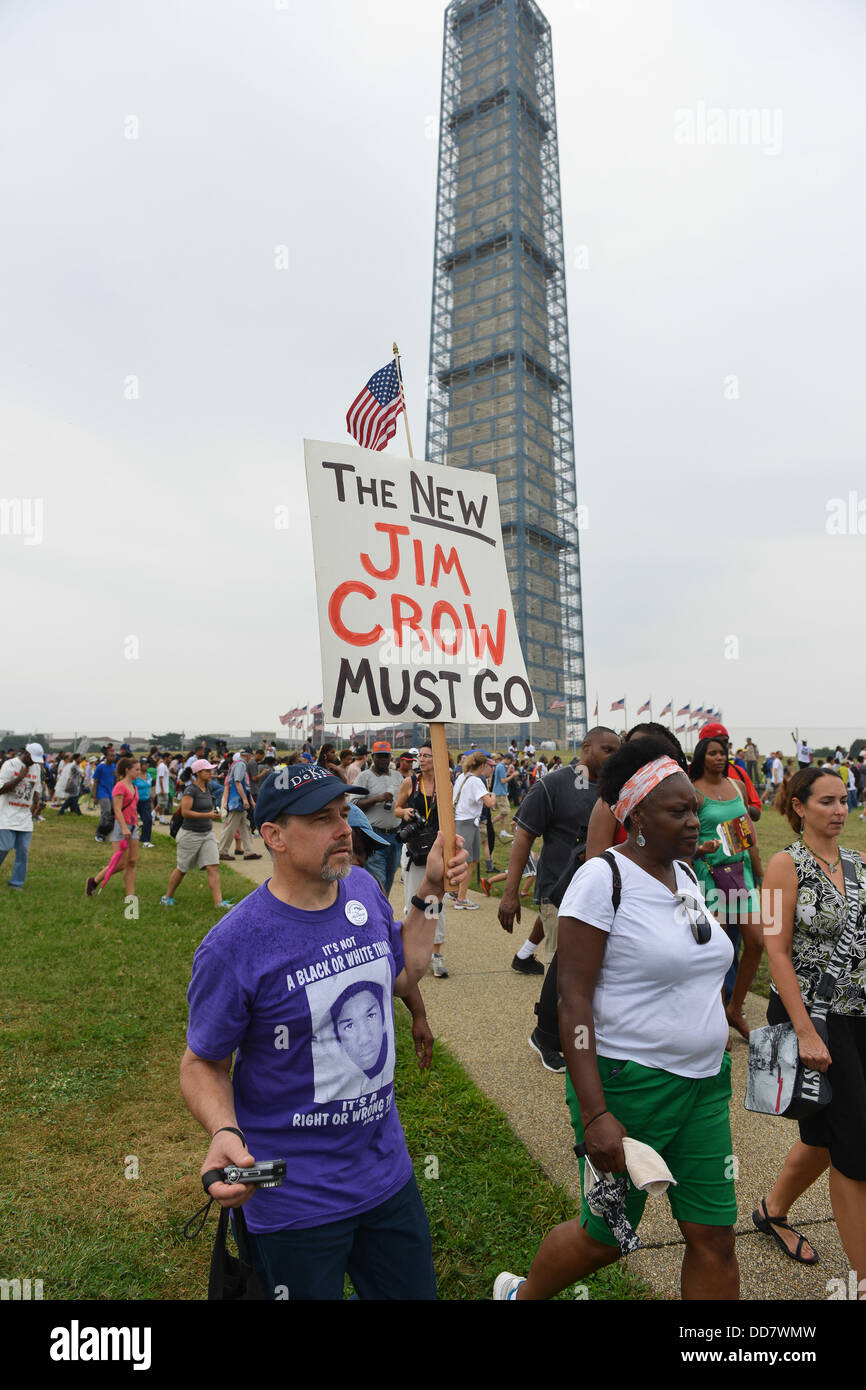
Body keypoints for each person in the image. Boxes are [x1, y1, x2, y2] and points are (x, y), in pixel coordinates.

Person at [179, 762, 469, 1301]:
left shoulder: (360, 885)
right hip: (290, 1196)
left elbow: (402, 975)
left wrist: (429, 887)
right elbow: (203, 1063)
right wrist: (223, 1130)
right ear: (274, 837)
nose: (343, 828)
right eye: (320, 818)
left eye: (342, 812)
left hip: (386, 1176)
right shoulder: (234, 944)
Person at [495, 737, 738, 1300]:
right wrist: (595, 1109)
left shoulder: (687, 880)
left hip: (704, 1086)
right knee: (605, 1238)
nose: (691, 822)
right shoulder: (603, 880)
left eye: (694, 811)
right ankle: (522, 1297)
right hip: (630, 1088)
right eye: (677, 811)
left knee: (714, 1237)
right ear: (635, 816)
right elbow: (573, 998)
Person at [753, 766, 866, 1281]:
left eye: (844, 800)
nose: (839, 810)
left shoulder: (860, 866)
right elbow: (775, 953)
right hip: (813, 1017)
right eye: (826, 801)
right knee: (852, 1143)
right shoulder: (785, 865)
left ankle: (772, 1210)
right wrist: (804, 1032)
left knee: (823, 1133)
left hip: (859, 1014)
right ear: (799, 807)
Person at [498, 729, 621, 1042]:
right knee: (568, 969)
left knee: (589, 970)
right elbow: (523, 836)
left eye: (616, 751)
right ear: (585, 747)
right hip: (559, 892)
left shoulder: (618, 789)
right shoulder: (552, 785)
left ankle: (580, 1033)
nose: (613, 756)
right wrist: (510, 894)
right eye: (606, 749)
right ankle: (549, 1034)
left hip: (604, 896)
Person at [690, 735, 763, 1039]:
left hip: (741, 874)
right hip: (709, 874)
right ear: (701, 757)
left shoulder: (737, 786)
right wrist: (699, 848)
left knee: (757, 942)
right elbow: (682, 836)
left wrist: (760, 873)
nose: (720, 758)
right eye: (713, 753)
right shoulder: (693, 792)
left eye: (723, 753)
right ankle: (716, 1015)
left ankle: (735, 1007)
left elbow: (748, 833)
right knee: (717, 950)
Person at [394, 742, 449, 977]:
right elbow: (397, 808)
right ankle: (411, 952)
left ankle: (435, 953)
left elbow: (450, 817)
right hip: (414, 848)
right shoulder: (410, 782)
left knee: (435, 899)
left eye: (428, 755)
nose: (422, 759)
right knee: (413, 899)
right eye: (421, 756)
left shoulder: (446, 785)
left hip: (436, 848)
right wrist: (404, 812)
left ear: (438, 758)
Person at [161, 759, 234, 910]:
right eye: (207, 770)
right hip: (190, 835)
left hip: (207, 833)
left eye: (211, 770)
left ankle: (219, 903)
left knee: (213, 867)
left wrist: (214, 815)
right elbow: (185, 812)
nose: (211, 773)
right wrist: (207, 815)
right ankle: (167, 897)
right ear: (199, 773)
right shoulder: (190, 790)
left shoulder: (208, 788)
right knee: (182, 869)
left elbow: (208, 810)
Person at [352, 741, 404, 895]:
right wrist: (377, 798)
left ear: (390, 757)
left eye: (386, 756)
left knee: (388, 878)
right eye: (379, 756)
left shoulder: (397, 776)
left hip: (395, 835)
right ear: (372, 757)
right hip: (374, 835)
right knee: (378, 879)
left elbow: (403, 800)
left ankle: (382, 911)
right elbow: (354, 804)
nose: (383, 760)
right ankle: (379, 913)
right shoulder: (364, 777)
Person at [85, 756, 140, 898]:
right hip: (121, 827)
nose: (139, 772)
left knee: (132, 862)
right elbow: (117, 809)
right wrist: (124, 828)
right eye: (136, 769)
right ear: (127, 770)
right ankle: (94, 881)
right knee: (121, 863)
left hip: (133, 826)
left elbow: (133, 807)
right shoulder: (120, 786)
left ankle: (130, 895)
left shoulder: (134, 787)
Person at [451, 751, 496, 910]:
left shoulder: (462, 777)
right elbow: (489, 803)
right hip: (468, 823)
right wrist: (493, 794)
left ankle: (456, 891)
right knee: (468, 862)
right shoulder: (476, 781)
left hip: (461, 821)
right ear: (482, 765)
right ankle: (461, 898)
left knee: (469, 860)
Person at [0, 743, 44, 889]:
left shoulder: (36, 767)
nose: (34, 762)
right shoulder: (10, 764)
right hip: (6, 815)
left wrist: (37, 801)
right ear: (26, 752)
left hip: (24, 817)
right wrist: (19, 778)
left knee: (23, 852)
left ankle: (16, 883)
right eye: (32, 758)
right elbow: (1, 789)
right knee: (4, 848)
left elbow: (36, 787)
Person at [217, 753, 261, 862]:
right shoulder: (241, 765)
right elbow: (237, 782)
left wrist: (249, 800)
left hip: (238, 802)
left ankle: (249, 851)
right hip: (238, 802)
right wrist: (246, 800)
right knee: (231, 827)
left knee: (245, 826)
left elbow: (240, 786)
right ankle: (222, 851)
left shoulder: (235, 766)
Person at [92, 750, 117, 841]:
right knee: (106, 812)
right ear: (106, 756)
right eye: (110, 756)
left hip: (111, 793)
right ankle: (99, 833)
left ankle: (105, 831)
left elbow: (115, 781)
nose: (113, 757)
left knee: (110, 813)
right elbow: (95, 782)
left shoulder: (114, 767)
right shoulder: (100, 767)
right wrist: (94, 796)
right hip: (102, 792)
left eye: (113, 756)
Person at [491, 754, 514, 840]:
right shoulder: (500, 766)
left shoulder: (501, 766)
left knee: (504, 813)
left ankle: (503, 831)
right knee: (505, 812)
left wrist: (509, 771)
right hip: (500, 792)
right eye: (510, 761)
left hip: (502, 792)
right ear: (507, 759)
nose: (510, 763)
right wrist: (513, 775)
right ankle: (489, 824)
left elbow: (504, 776)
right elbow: (503, 780)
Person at [133, 759, 155, 848]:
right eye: (144, 765)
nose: (146, 766)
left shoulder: (149, 775)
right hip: (135, 801)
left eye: (147, 765)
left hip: (146, 801)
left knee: (148, 819)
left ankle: (145, 840)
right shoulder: (135, 777)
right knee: (132, 820)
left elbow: (149, 787)